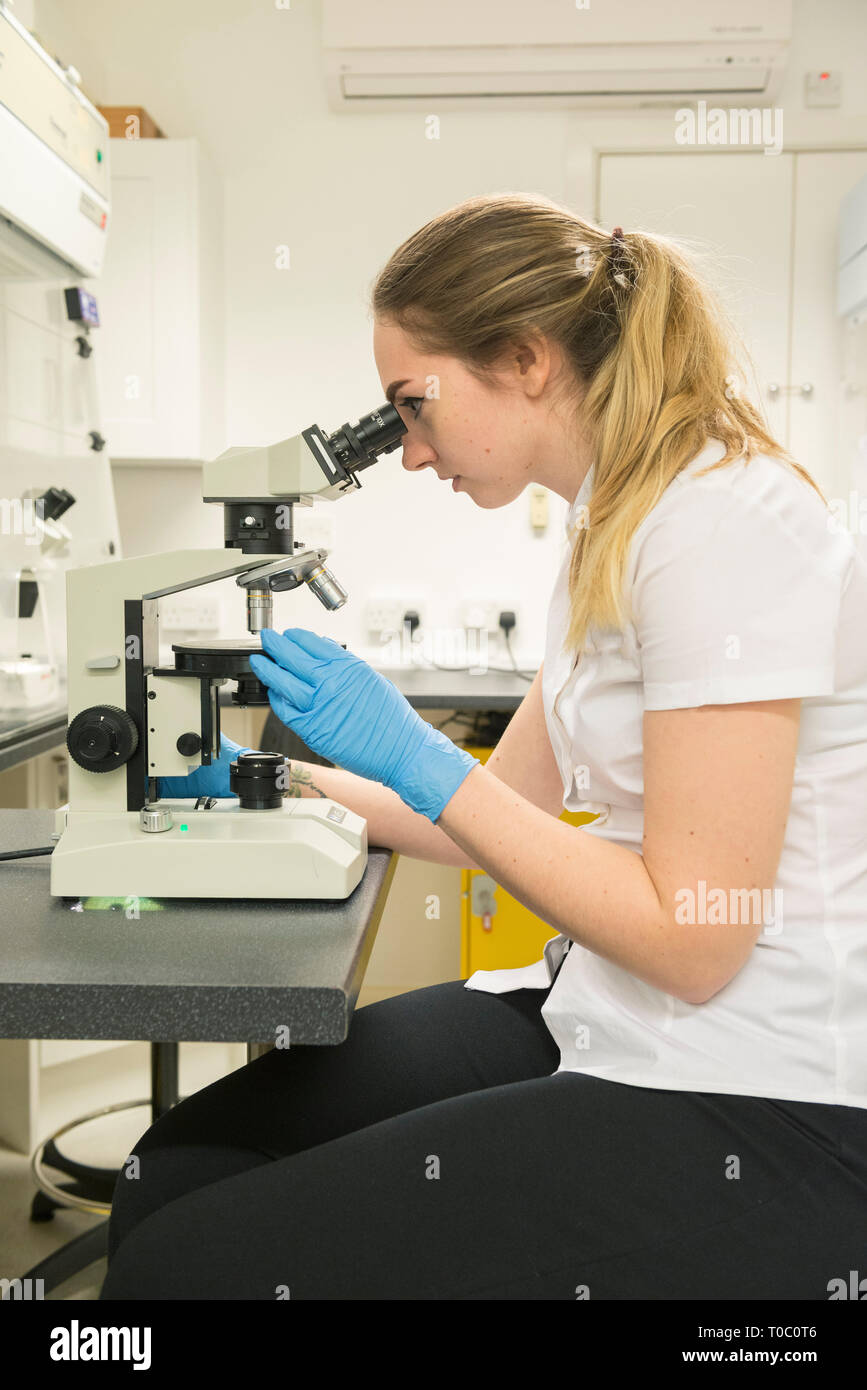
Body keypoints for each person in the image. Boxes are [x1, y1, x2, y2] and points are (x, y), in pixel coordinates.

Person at [99, 193, 867, 1301]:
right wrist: (286, 785)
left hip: (766, 1092)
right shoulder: (616, 516)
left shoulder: (725, 521)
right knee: (169, 1170)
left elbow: (693, 938)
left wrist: (419, 753)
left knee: (184, 1271)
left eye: (414, 408)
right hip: (608, 1015)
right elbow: (492, 810)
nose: (407, 453)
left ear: (525, 359)